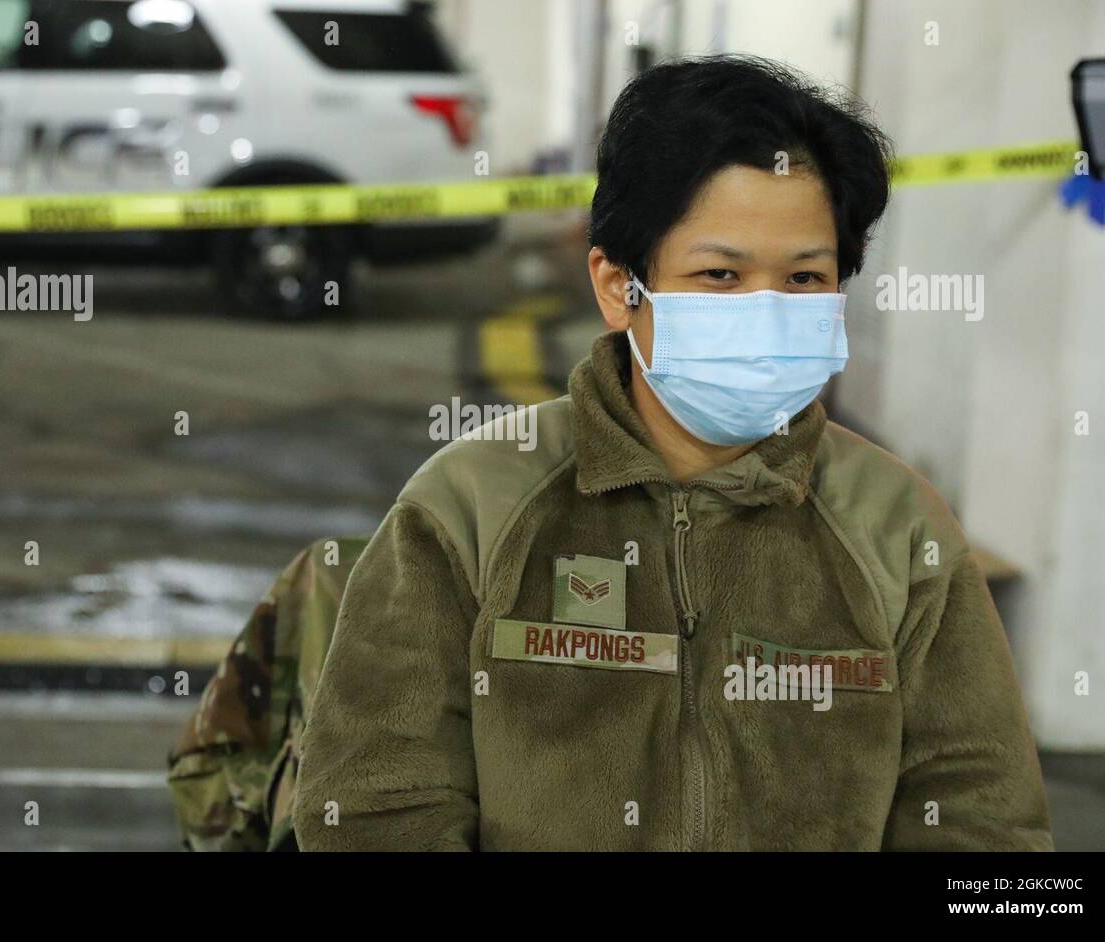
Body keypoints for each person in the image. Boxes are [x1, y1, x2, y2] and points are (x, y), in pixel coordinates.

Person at [290, 55, 1053, 851]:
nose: (765, 309)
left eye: (803, 278)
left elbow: (986, 826)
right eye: (720, 275)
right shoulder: (471, 506)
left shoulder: (895, 527)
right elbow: (374, 808)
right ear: (620, 286)